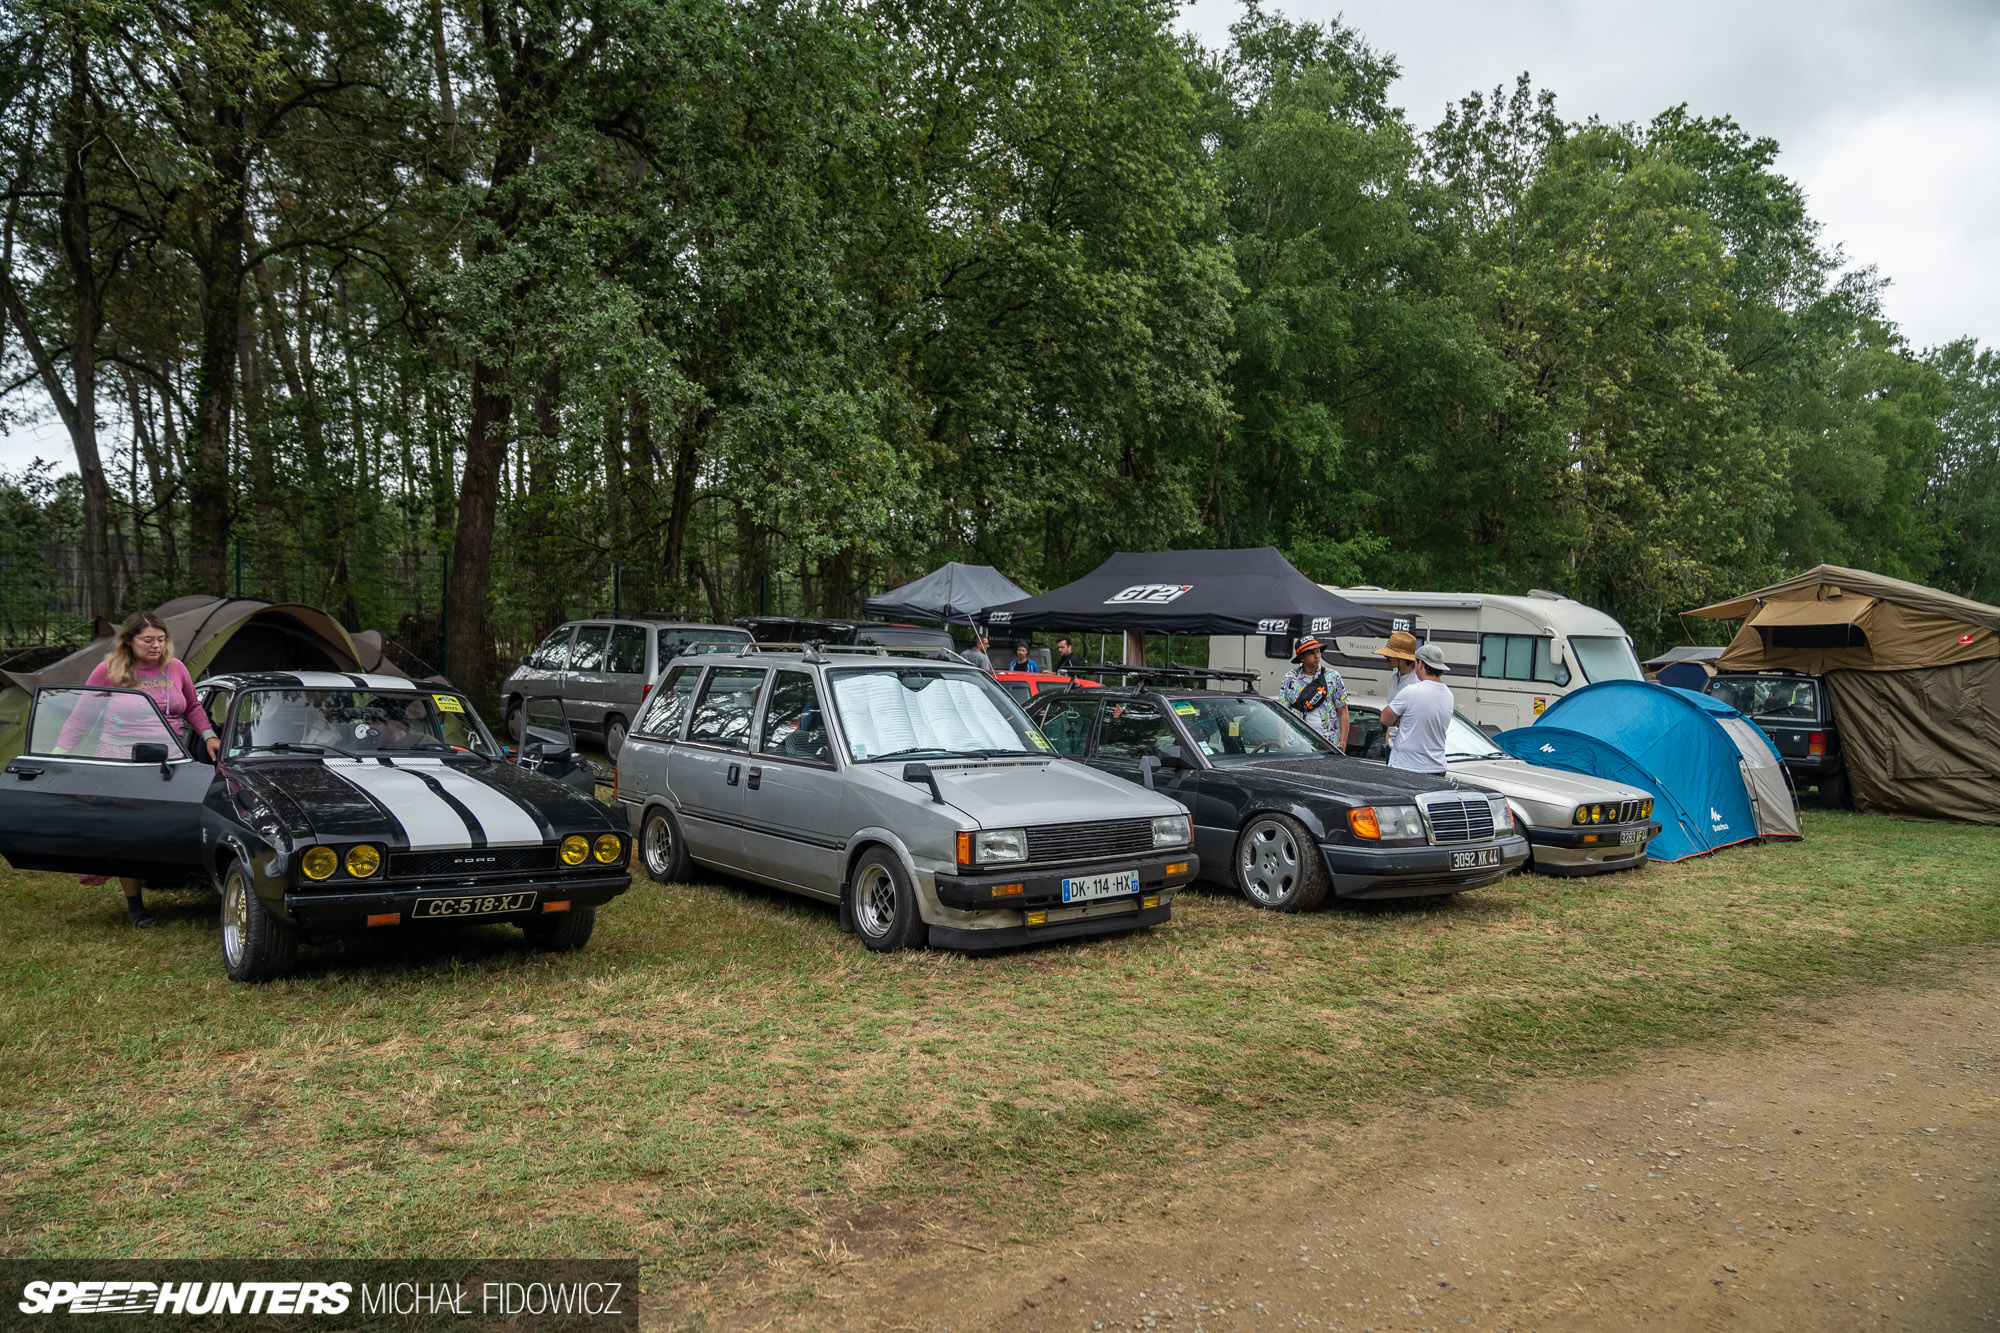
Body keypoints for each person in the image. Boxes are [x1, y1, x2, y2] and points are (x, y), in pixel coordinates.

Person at [58, 611, 219, 927]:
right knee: (128, 828)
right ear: (129, 640)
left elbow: (192, 707)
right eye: (148, 640)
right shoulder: (108, 671)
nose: (156, 646)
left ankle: (173, 876)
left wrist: (210, 735)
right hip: (122, 758)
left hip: (170, 758)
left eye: (161, 639)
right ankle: (135, 906)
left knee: (174, 822)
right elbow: (81, 717)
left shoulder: (177, 669)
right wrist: (58, 754)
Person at [1380, 643, 1455, 777]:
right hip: (1437, 766)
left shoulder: (1411, 691)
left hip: (1408, 766)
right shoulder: (1448, 695)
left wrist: (1400, 720)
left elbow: (1385, 718)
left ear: (1420, 664)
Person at [1278, 636, 1349, 749]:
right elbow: (1282, 713)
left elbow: (1344, 713)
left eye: (1318, 651)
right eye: (1311, 653)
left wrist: (1342, 744)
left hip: (1328, 743)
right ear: (1301, 657)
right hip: (1296, 744)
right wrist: (1281, 743)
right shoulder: (1290, 678)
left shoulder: (1332, 676)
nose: (1317, 656)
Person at [1371, 629, 1420, 748]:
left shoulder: (1417, 680)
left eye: (1390, 654)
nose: (1385, 656)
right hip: (1392, 745)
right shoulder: (1393, 677)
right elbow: (1392, 709)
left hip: (1408, 747)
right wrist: (1388, 737)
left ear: (1402, 658)